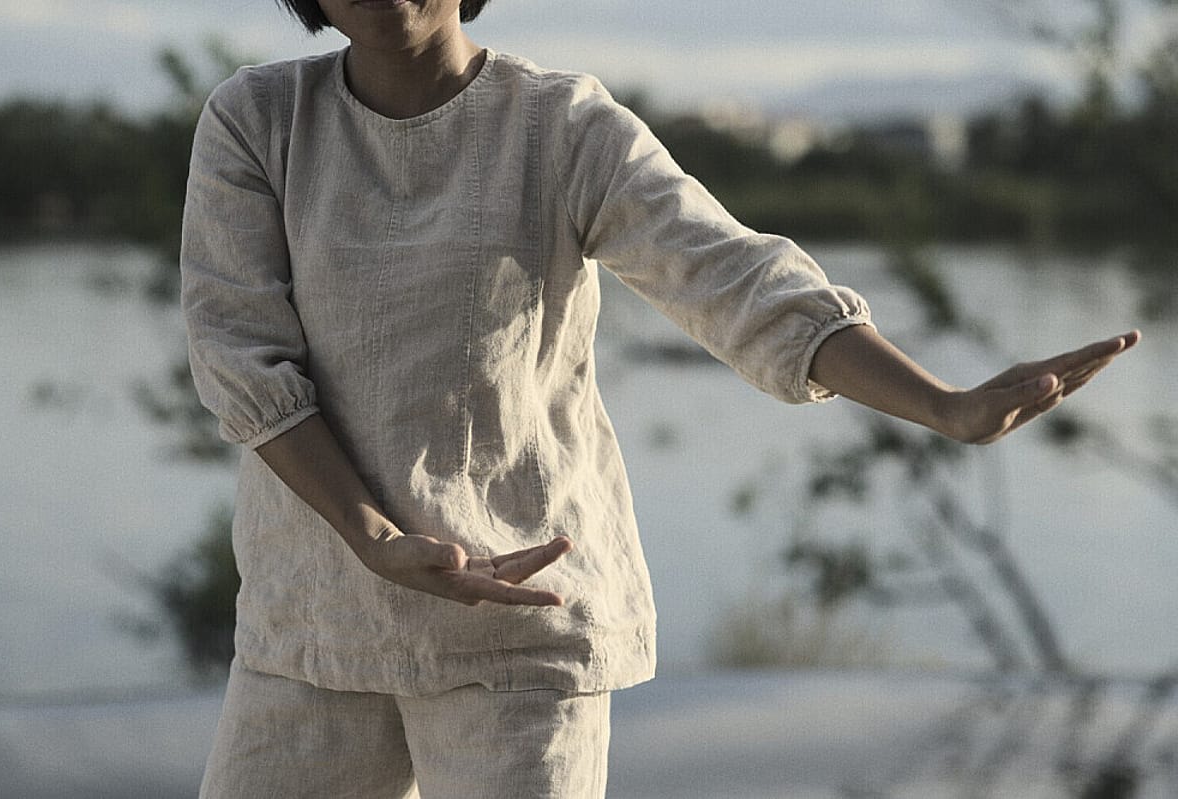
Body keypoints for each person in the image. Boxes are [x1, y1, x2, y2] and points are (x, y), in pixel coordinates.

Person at [180, 0, 1140, 796]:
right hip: (312, 620)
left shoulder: (560, 126)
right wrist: (376, 540)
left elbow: (732, 276)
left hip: (522, 620)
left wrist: (947, 405)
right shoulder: (260, 121)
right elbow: (243, 356)